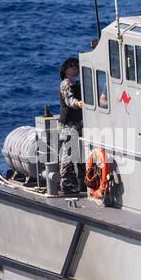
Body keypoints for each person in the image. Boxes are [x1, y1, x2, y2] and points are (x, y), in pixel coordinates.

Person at [57, 57, 83, 193]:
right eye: (71, 66)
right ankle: (66, 184)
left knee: (77, 154)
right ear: (65, 70)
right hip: (67, 125)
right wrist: (78, 103)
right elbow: (69, 99)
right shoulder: (65, 84)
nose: (74, 68)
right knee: (68, 154)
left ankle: (79, 182)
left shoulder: (77, 83)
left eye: (76, 66)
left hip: (77, 124)